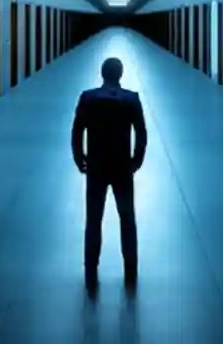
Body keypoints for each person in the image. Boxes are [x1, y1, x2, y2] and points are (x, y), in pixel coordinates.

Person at [71, 57, 148, 292]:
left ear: (102, 74)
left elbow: (77, 130)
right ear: (120, 74)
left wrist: (79, 158)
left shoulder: (88, 98)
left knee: (94, 219)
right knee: (127, 218)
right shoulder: (131, 99)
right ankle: (131, 268)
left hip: (96, 166)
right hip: (122, 167)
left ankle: (91, 268)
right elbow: (141, 134)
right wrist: (136, 161)